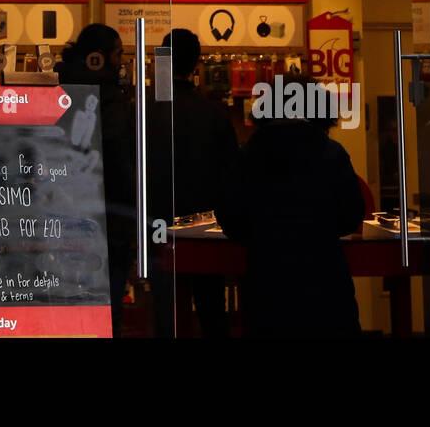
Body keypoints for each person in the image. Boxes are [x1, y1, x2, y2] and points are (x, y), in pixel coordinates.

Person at [216, 72, 364, 338]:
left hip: (267, 285)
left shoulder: (248, 154)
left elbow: (231, 218)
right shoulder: (332, 153)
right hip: (325, 285)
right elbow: (352, 215)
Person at [149, 28, 238, 337]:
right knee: (212, 309)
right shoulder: (214, 114)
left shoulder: (145, 112)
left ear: (162, 60)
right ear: (197, 64)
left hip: (158, 224)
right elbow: (231, 173)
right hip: (205, 226)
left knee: (167, 312)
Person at [56, 23, 134, 338]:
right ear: (99, 57)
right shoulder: (113, 103)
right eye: (117, 53)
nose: (121, 59)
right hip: (107, 220)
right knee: (107, 303)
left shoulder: (58, 93)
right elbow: (120, 165)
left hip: (62, 217)